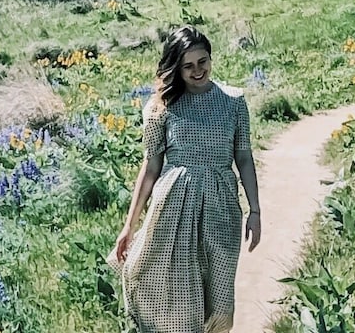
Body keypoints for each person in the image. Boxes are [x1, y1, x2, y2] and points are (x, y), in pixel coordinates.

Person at [108, 26, 262, 333]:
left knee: (219, 301)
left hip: (222, 210)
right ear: (176, 68)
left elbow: (243, 158)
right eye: (188, 65)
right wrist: (130, 225)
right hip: (173, 207)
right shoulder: (160, 107)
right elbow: (150, 167)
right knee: (174, 296)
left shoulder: (233, 102)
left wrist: (255, 211)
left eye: (202, 62)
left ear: (210, 58)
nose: (197, 71)